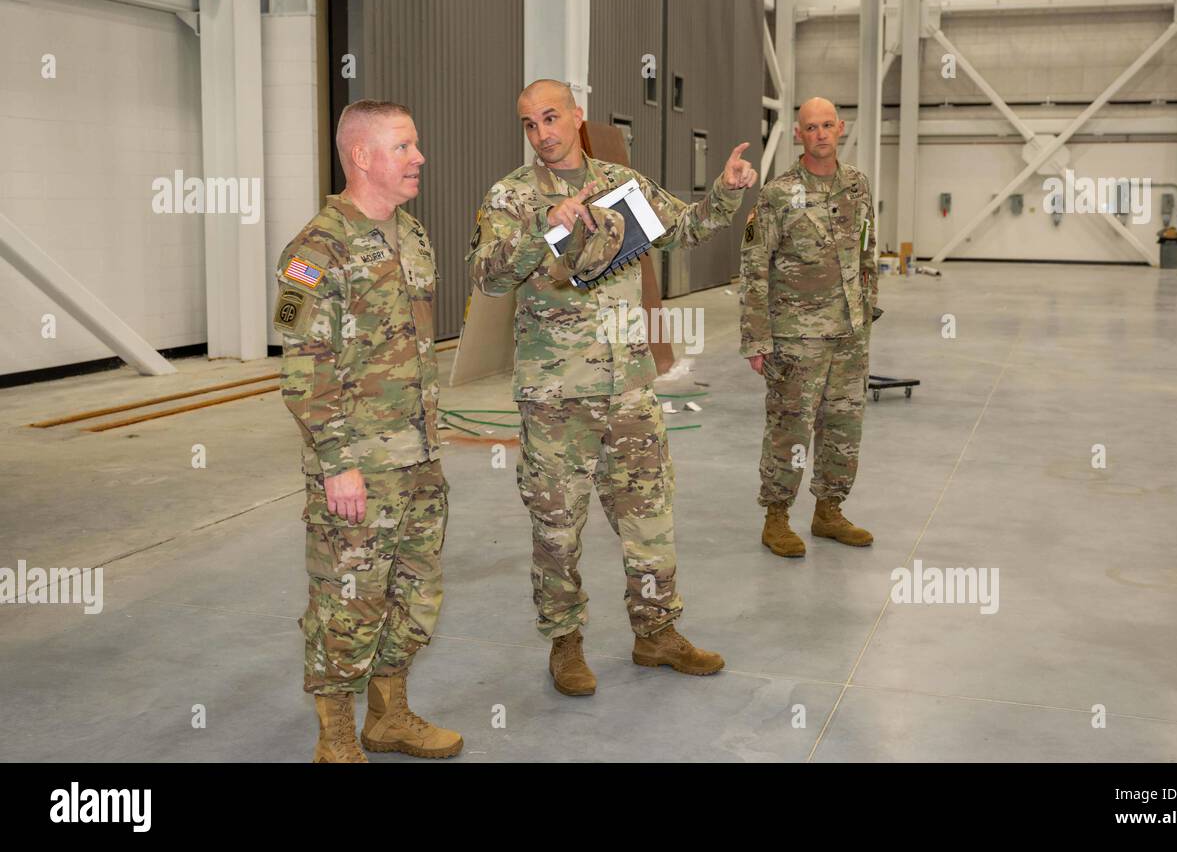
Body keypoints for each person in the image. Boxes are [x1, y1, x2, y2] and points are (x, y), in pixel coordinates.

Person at [467, 79, 756, 696]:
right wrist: (546, 227)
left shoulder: (621, 186)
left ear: (577, 116)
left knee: (649, 517)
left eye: (551, 118)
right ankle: (565, 644)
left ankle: (656, 632)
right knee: (557, 529)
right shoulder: (512, 197)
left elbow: (685, 228)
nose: (542, 133)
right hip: (555, 399)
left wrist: (726, 193)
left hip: (628, 390)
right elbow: (489, 278)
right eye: (529, 124)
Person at [273, 99, 462, 762]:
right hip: (358, 465)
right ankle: (335, 739)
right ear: (362, 156)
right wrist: (337, 463)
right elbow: (303, 369)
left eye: (416, 146)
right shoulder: (316, 249)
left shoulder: (412, 236)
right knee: (347, 600)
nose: (419, 159)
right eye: (404, 147)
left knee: (414, 593)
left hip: (419, 456)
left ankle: (389, 718)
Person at [738, 97, 879, 559]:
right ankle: (775, 518)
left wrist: (867, 310)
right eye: (810, 127)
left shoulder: (857, 185)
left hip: (849, 333)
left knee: (843, 425)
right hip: (795, 336)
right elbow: (755, 267)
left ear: (840, 129)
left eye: (827, 126)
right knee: (789, 429)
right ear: (798, 134)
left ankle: (829, 510)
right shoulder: (779, 194)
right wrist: (758, 339)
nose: (819, 134)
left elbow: (866, 251)